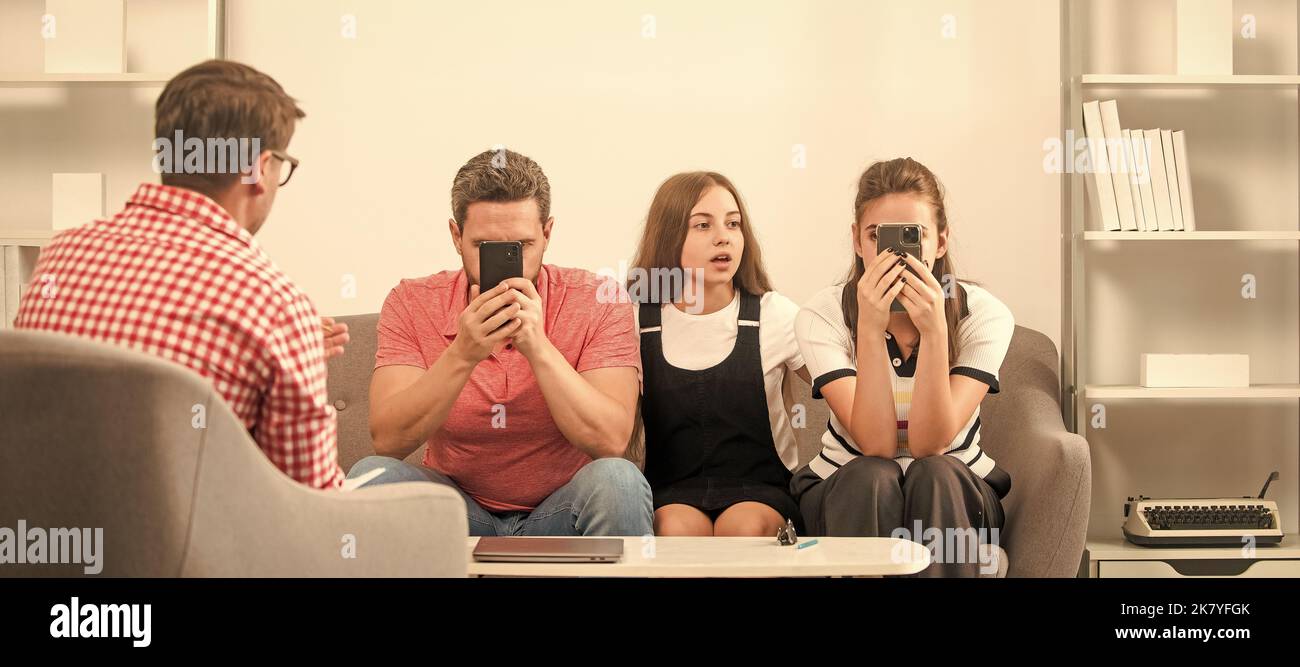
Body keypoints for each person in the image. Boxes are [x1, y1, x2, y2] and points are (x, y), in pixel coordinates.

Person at [15, 59, 349, 489]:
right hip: (179, 555)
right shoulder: (274, 304)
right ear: (259, 168)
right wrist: (285, 353)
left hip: (40, 544)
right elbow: (313, 506)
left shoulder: (61, 254)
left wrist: (274, 369)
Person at [350, 148, 652, 538]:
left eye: (522, 246)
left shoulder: (598, 299)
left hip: (561, 510)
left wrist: (537, 346)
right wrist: (462, 353)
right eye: (485, 247)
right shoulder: (412, 301)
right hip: (458, 513)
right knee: (369, 478)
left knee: (619, 481)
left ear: (548, 233)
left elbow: (610, 442)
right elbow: (388, 440)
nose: (509, 264)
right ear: (456, 236)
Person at [791, 157, 1014, 576]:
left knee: (936, 474)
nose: (893, 253)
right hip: (847, 484)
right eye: (877, 236)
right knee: (872, 475)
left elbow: (932, 444)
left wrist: (933, 334)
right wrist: (870, 330)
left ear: (940, 242)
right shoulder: (821, 314)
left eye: (913, 236)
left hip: (956, 489)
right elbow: (876, 444)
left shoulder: (985, 315)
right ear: (857, 240)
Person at [628, 172, 809, 537]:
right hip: (670, 493)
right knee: (675, 529)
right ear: (669, 234)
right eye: (702, 225)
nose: (723, 236)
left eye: (733, 223)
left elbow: (845, 388)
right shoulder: (635, 319)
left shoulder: (775, 313)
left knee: (742, 527)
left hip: (763, 493)